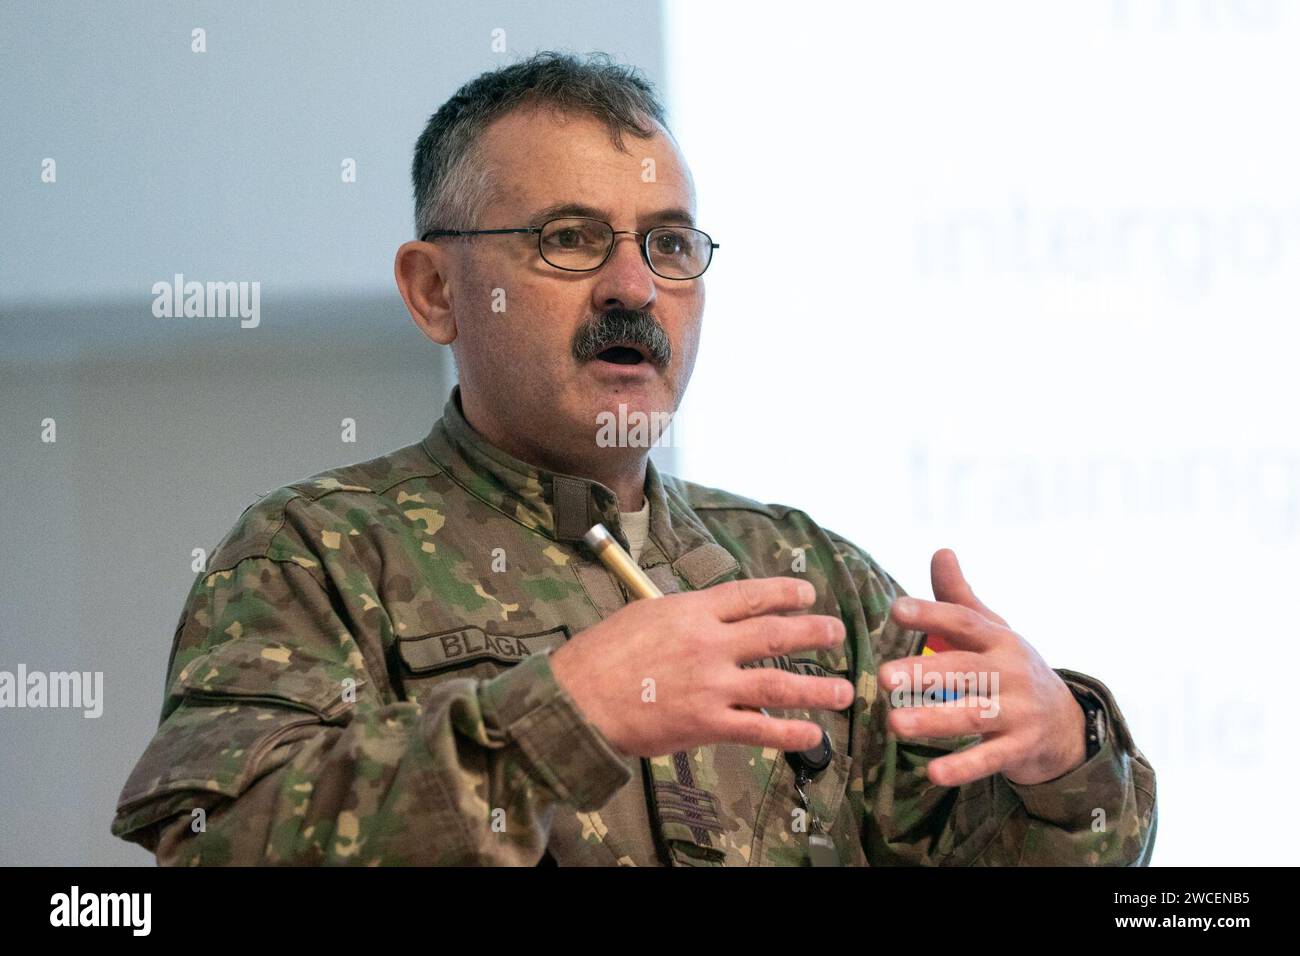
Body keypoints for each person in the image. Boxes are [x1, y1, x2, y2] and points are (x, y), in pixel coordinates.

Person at [112, 52, 1156, 866]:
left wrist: (1063, 755)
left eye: (667, 244)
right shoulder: (317, 554)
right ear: (436, 290)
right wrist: (561, 716)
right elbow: (213, 842)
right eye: (569, 238)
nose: (634, 288)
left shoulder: (803, 570)